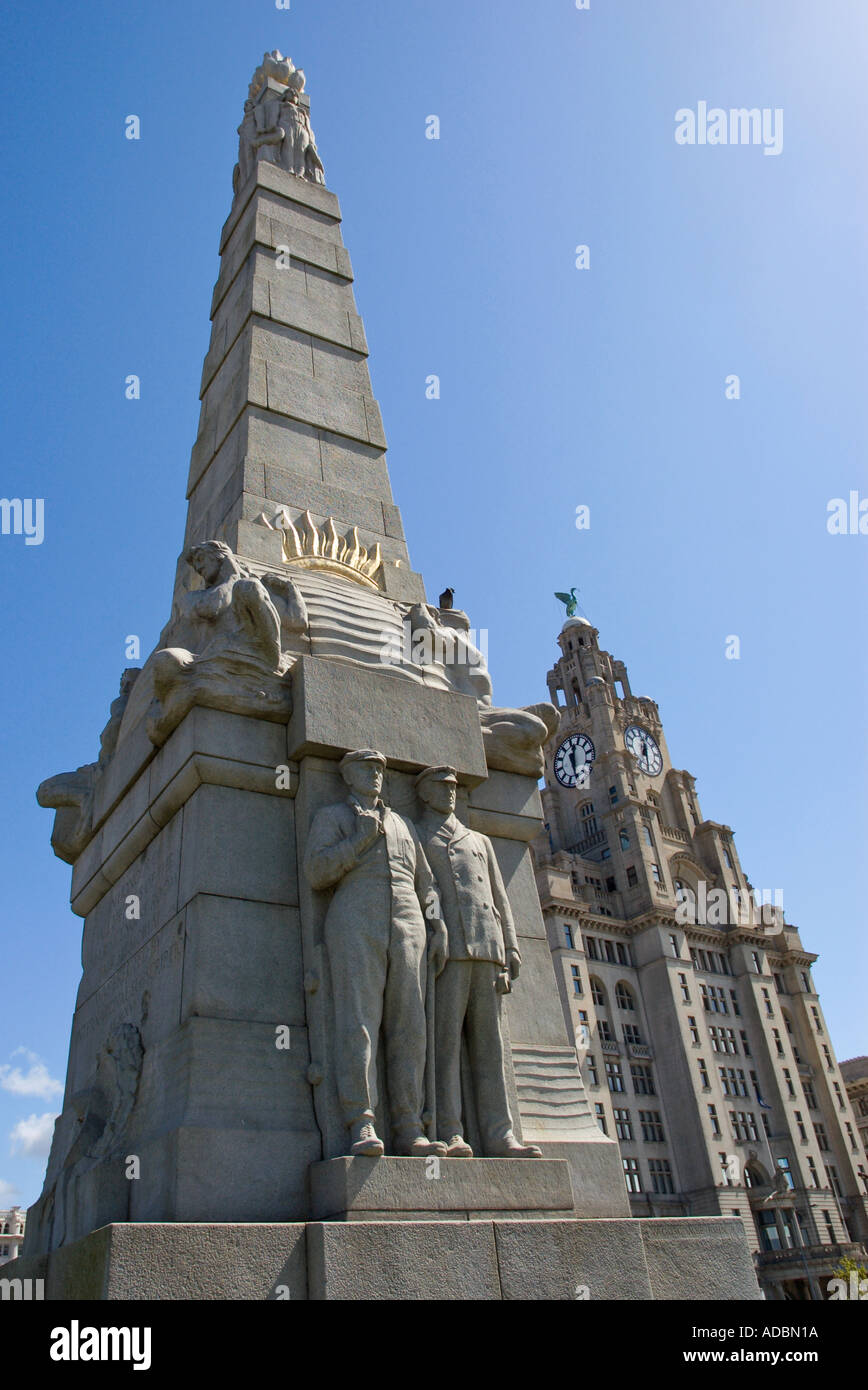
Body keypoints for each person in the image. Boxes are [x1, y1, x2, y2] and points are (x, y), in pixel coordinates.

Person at [304, 750, 447, 1158]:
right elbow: (317, 872)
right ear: (348, 775)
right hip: (355, 915)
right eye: (367, 768)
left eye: (381, 770)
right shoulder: (333, 816)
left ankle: (408, 1124)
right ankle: (362, 1120)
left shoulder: (403, 823)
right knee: (359, 1020)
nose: (377, 775)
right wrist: (359, 839)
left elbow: (427, 884)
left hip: (409, 920)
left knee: (410, 1024)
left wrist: (437, 924)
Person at [415, 765, 542, 1158]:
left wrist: (512, 947)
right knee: (446, 1046)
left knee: (491, 1049)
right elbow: (425, 888)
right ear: (425, 794)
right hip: (449, 955)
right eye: (441, 787)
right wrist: (436, 927)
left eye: (453, 787)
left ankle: (501, 1133)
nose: (449, 793)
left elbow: (499, 897)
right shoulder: (418, 835)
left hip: (487, 950)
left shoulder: (479, 840)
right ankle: (451, 1129)